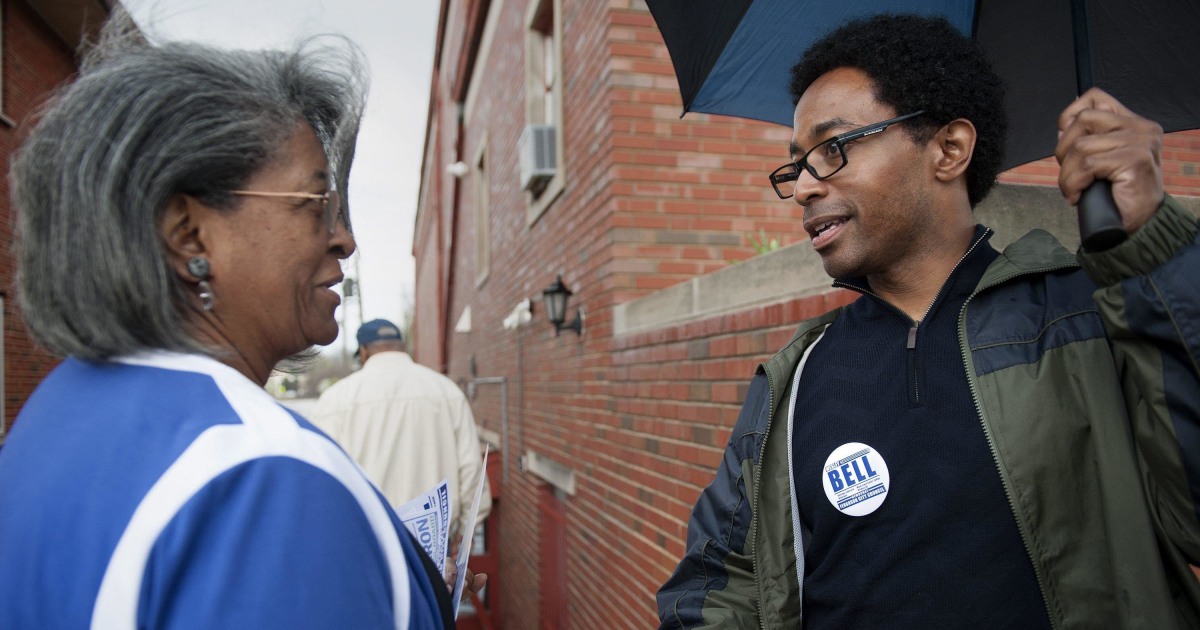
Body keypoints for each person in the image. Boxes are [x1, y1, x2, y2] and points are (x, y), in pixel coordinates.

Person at [657, 14, 1200, 629]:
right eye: (797, 165)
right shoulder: (797, 377)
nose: (805, 186)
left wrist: (1157, 248)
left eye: (832, 149)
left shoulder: (1087, 319)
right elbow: (719, 583)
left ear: (948, 149)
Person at [0, 11, 473, 628]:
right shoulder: (261, 479)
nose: (344, 239)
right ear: (189, 234)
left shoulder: (50, 414)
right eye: (315, 203)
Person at [313, 319, 491, 541]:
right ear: (401, 346)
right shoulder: (446, 391)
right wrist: (463, 535)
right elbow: (471, 468)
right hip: (434, 541)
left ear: (364, 352)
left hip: (369, 542)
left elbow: (323, 483)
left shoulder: (335, 400)